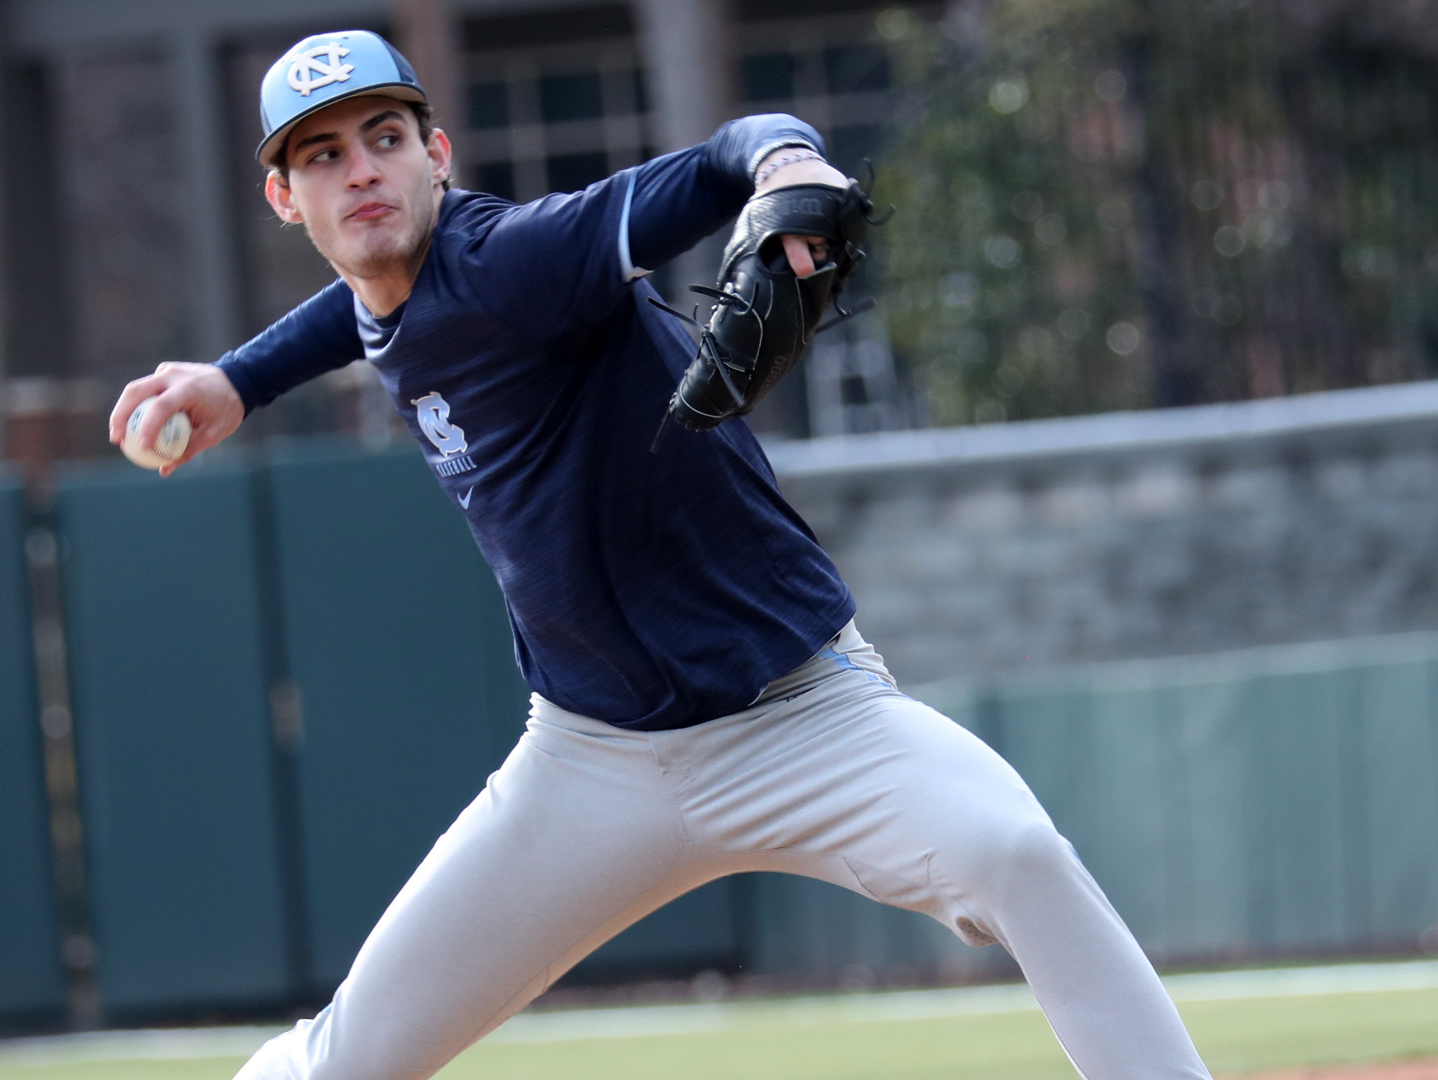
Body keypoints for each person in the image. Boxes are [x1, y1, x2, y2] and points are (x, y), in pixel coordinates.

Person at [109, 29, 1213, 1080]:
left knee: (1017, 852)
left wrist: (783, 157)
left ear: (435, 157)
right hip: (590, 764)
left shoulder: (513, 263)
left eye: (385, 140)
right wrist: (236, 380)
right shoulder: (387, 296)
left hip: (801, 718)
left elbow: (730, 153)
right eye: (324, 155)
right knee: (352, 1055)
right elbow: (356, 313)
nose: (362, 173)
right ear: (285, 198)